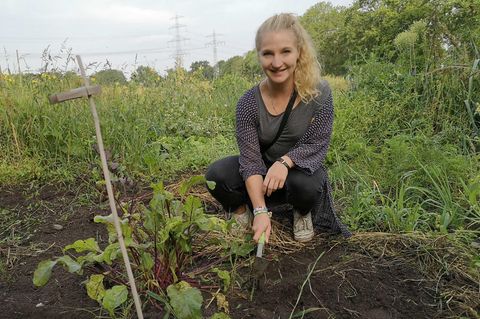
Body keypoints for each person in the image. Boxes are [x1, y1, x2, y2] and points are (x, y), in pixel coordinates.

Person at [206, 13, 350, 244]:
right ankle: (244, 212)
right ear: (259, 56)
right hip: (262, 174)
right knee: (217, 175)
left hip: (297, 173)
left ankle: (302, 212)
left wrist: (284, 162)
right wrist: (262, 212)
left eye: (285, 51)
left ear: (299, 52)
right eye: (268, 54)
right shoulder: (248, 103)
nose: (276, 62)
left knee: (307, 185)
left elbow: (318, 144)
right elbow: (251, 161)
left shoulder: (319, 93)